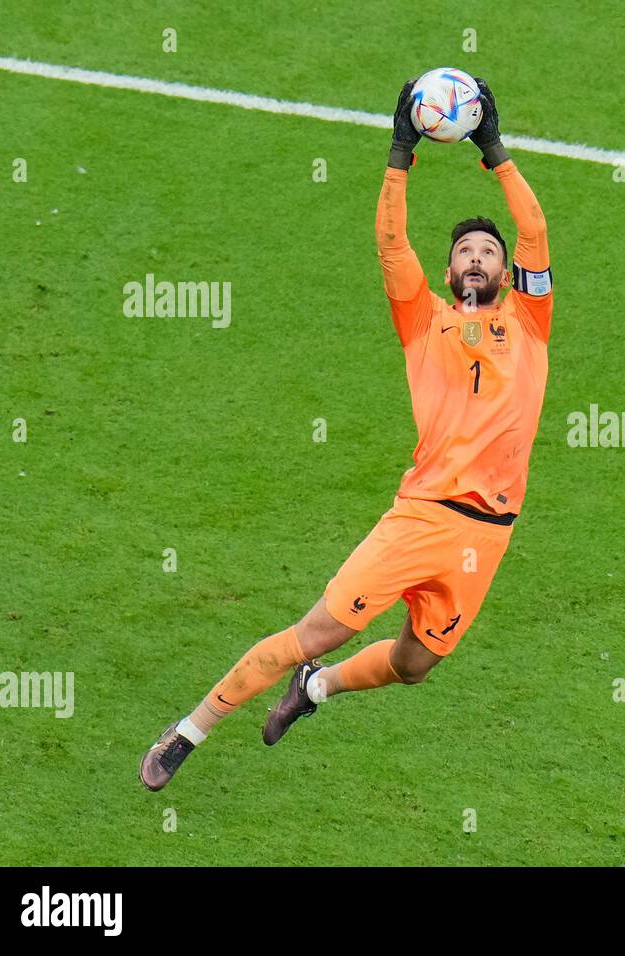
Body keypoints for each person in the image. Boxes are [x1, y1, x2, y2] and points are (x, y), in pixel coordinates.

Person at [140, 76, 553, 791]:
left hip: (489, 535)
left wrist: (494, 149)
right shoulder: (423, 322)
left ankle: (316, 690)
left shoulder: (529, 320)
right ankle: (190, 730)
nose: (480, 256)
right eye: (466, 252)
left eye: (489, 249)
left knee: (415, 665)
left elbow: (536, 233)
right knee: (318, 630)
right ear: (450, 270)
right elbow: (390, 239)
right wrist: (401, 151)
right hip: (422, 516)